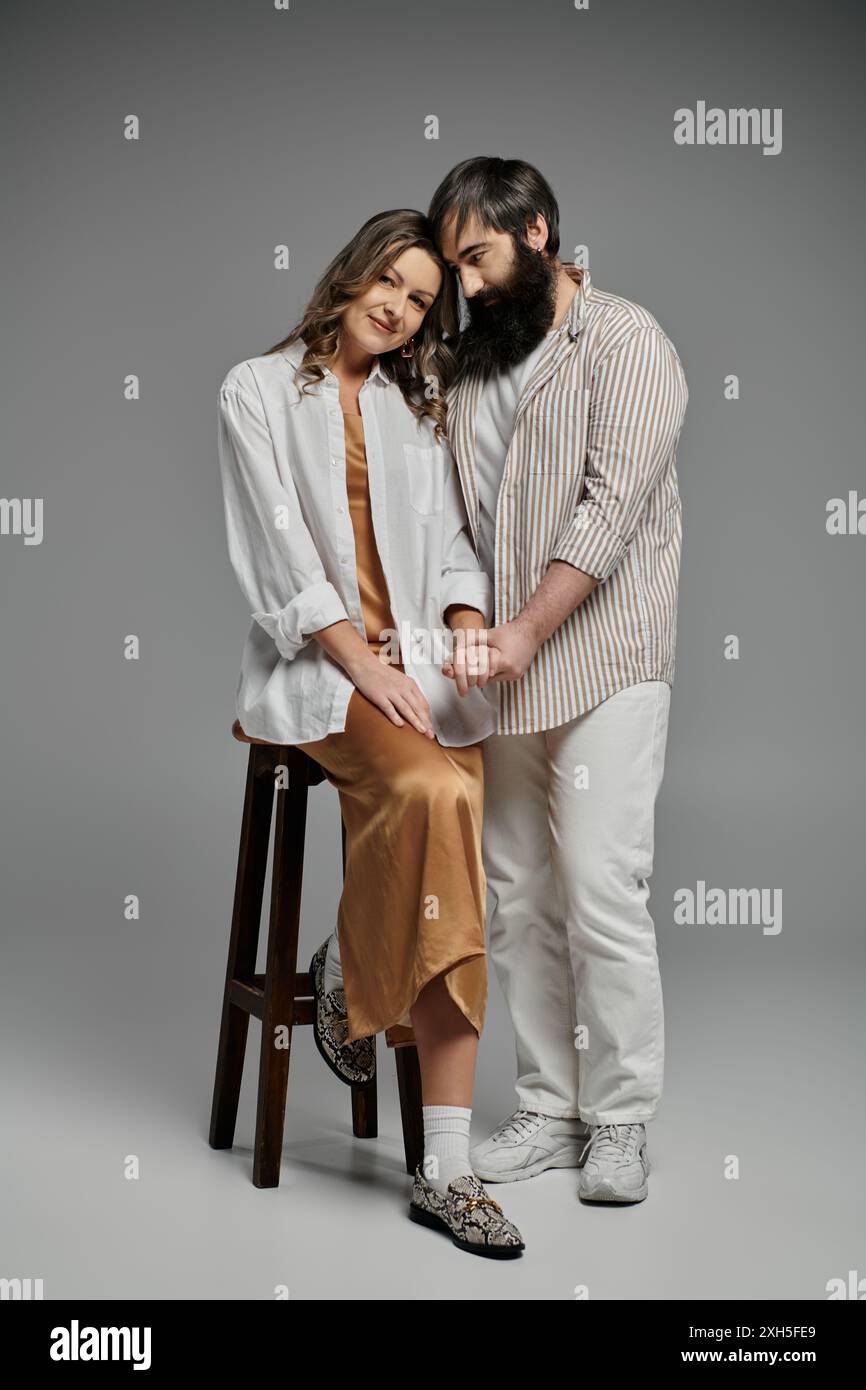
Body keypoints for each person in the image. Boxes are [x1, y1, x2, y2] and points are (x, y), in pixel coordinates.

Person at [217, 208, 524, 1256]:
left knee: (462, 803)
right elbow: (278, 561)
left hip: (417, 667)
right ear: (349, 275)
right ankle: (442, 1159)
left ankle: (360, 977)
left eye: (420, 300)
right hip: (321, 665)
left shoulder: (411, 408)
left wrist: (466, 629)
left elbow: (449, 550)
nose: (397, 309)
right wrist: (361, 664)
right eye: (386, 284)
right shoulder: (255, 392)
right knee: (439, 797)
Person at [425, 156, 690, 1205]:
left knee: (599, 886)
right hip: (502, 669)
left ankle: (619, 1120)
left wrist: (527, 628)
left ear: (535, 231)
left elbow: (610, 502)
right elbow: (450, 511)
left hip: (605, 656)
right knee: (517, 895)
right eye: (453, 268)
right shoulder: (469, 363)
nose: (467, 286)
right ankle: (547, 1104)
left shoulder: (626, 339)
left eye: (479, 256)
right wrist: (470, 625)